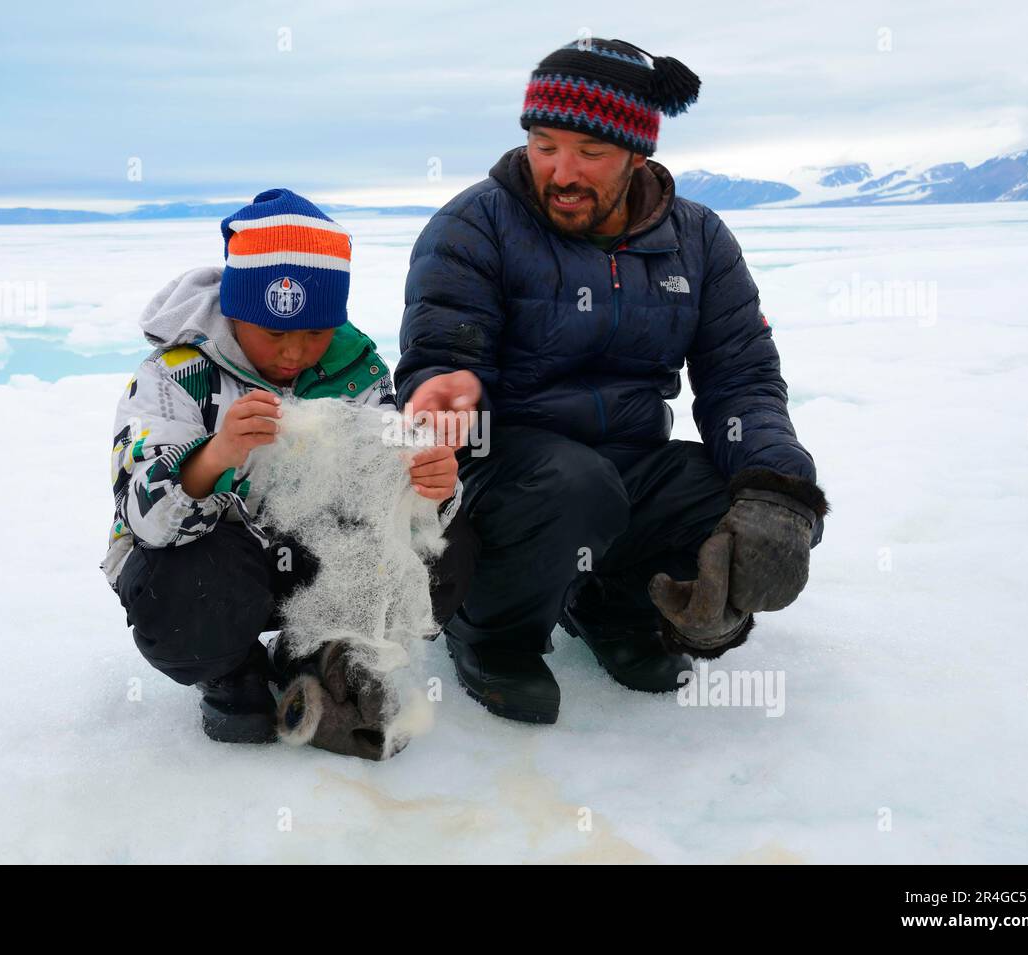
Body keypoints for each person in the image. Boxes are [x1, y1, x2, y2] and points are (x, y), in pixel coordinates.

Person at [395, 39, 829, 725]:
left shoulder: (698, 240)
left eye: (590, 153)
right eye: (543, 145)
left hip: (627, 463)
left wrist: (778, 489)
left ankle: (612, 605)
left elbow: (741, 379)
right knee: (574, 484)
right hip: (502, 474)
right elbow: (442, 349)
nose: (561, 172)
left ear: (637, 155)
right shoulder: (474, 226)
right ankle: (489, 632)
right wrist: (446, 387)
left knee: (745, 501)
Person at [101, 188, 478, 758]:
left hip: (309, 564)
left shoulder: (358, 371)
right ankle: (230, 670)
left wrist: (431, 487)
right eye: (274, 333)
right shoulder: (176, 376)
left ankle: (317, 647)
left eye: (315, 333)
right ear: (235, 309)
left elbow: (391, 485)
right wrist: (216, 455)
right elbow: (145, 520)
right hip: (217, 566)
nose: (294, 354)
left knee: (450, 547)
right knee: (186, 585)